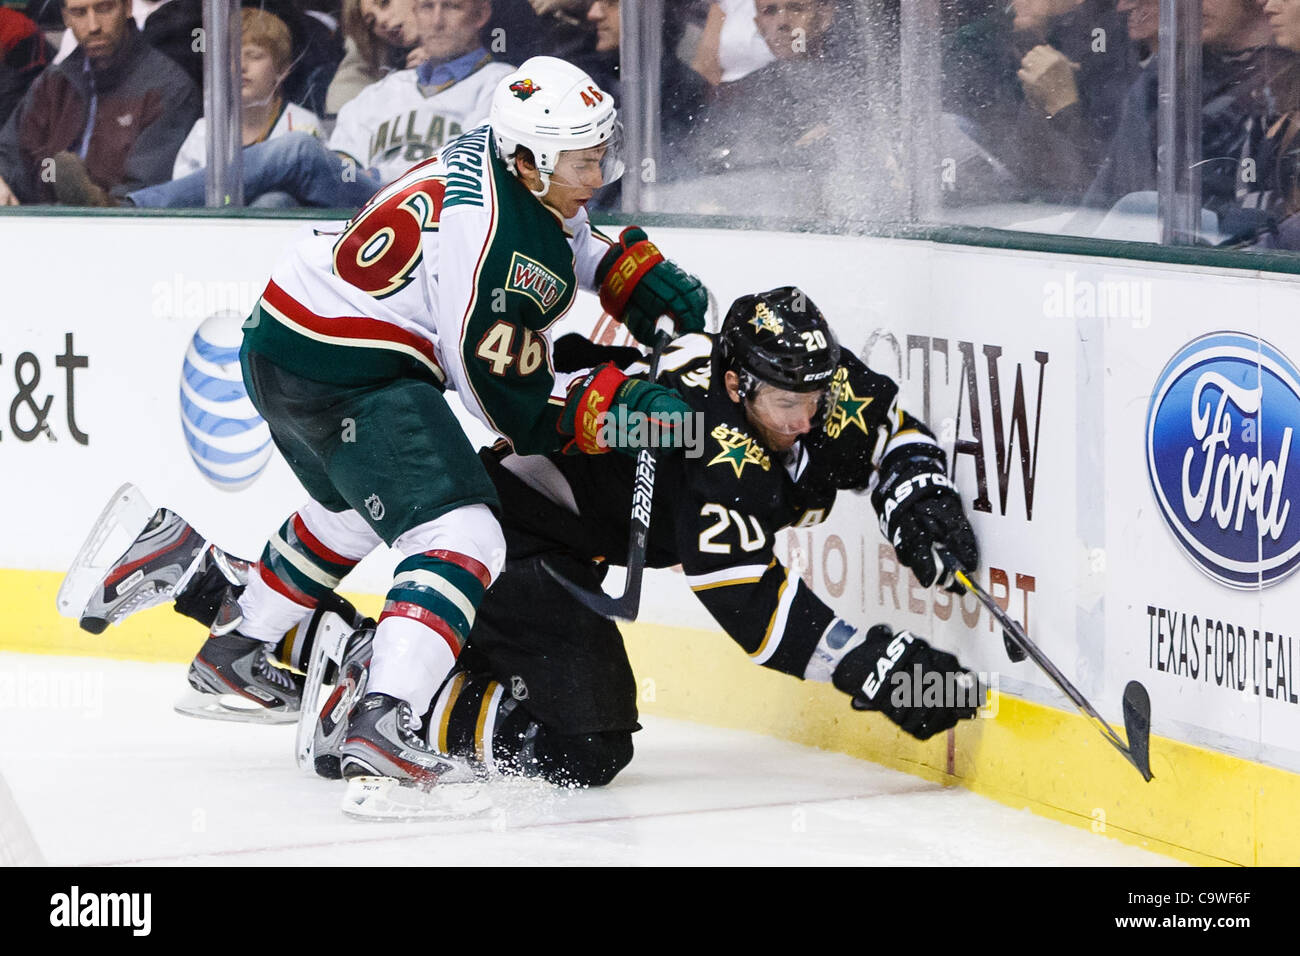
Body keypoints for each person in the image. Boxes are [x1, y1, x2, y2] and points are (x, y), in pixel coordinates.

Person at [70, 55, 707, 812]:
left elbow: (563, 230)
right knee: (465, 533)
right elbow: (505, 403)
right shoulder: (501, 251)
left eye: (601, 150)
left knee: (353, 507)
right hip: (350, 370)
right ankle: (385, 721)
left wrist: (621, 270)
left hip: (283, 343)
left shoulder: (499, 155)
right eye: (585, 158)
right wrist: (613, 407)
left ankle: (239, 644)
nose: (598, 172)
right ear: (532, 159)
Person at [75, 287, 983, 792]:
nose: (809, 416)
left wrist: (916, 487)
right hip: (513, 551)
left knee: (578, 723)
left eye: (817, 396)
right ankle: (363, 675)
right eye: (789, 403)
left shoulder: (800, 376)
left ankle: (196, 573)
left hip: (530, 535)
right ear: (738, 387)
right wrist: (879, 670)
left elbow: (885, 421)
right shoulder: (718, 448)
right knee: (588, 746)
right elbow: (756, 609)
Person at [113, 0, 512, 209]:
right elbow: (344, 163)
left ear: (481, 14)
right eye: (427, 6)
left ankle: (133, 205)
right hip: (367, 204)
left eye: (452, 7)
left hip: (431, 208)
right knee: (275, 204)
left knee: (300, 150)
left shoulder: (503, 89)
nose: (438, 20)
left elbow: (478, 180)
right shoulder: (382, 93)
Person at [53, 6, 323, 207]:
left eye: (254, 56)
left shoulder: (302, 124)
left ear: (283, 70)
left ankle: (129, 206)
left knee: (273, 202)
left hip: (279, 242)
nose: (241, 67)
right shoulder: (206, 128)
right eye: (231, 57)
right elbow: (185, 194)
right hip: (204, 247)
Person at [0, 0, 200, 205]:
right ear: (66, 18)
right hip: (38, 225)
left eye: (104, 9)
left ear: (128, 8)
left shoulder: (169, 88)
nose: (93, 26)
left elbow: (147, 193)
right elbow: (9, 155)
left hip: (122, 228)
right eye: (79, 13)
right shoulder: (52, 83)